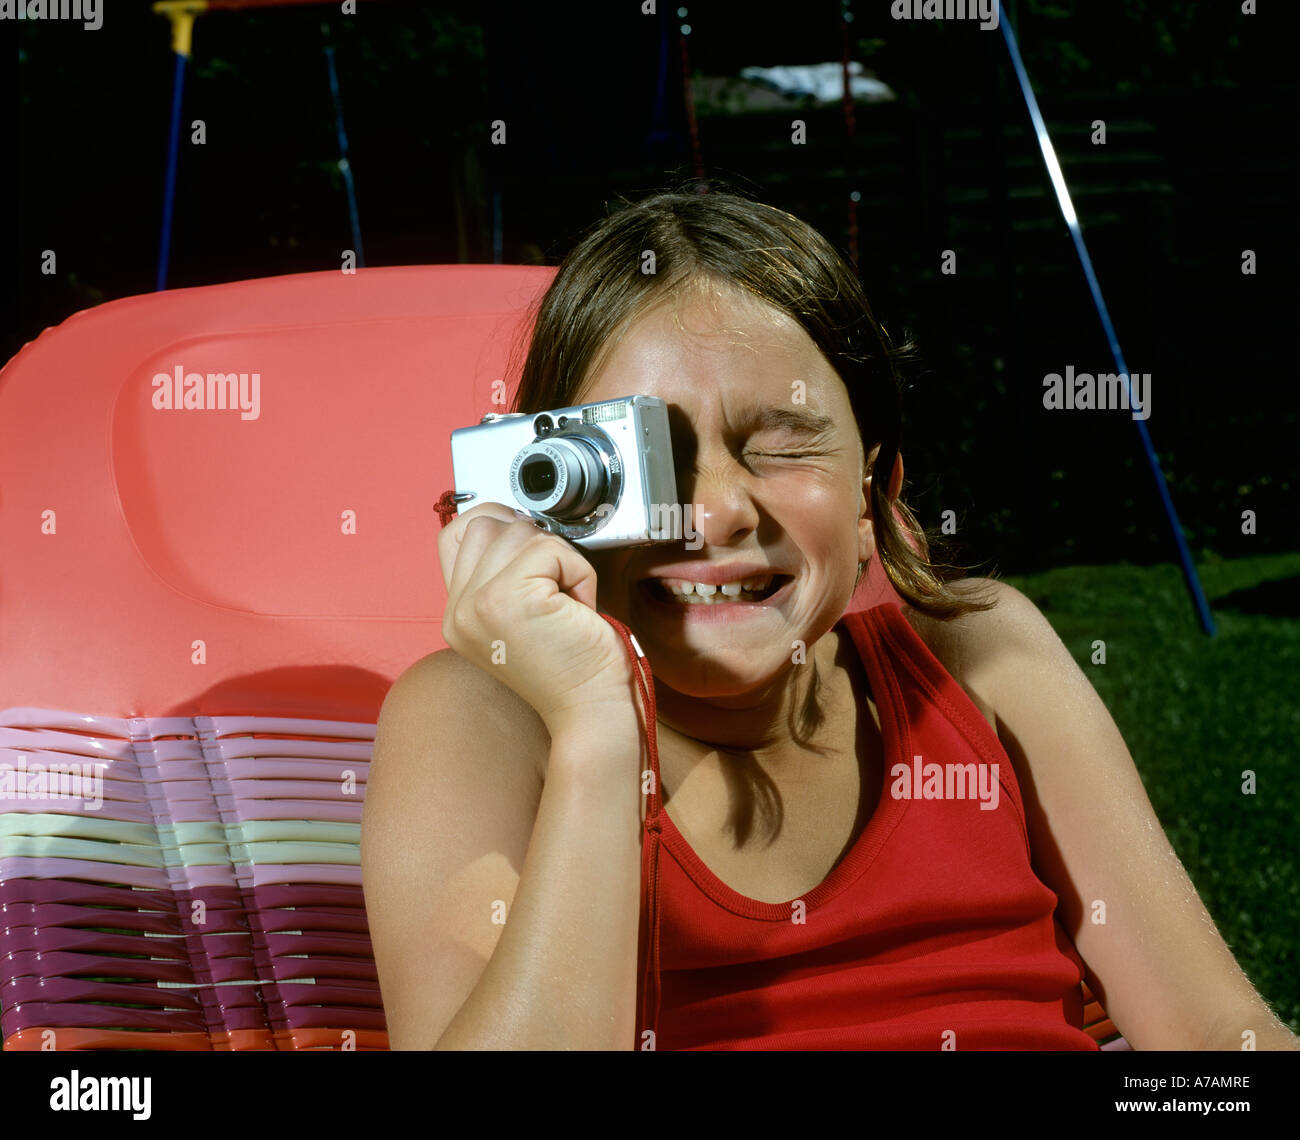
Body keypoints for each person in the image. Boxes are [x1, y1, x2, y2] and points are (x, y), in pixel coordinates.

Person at [360, 186, 1298, 1051]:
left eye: (780, 445)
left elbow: (1217, 1040)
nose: (717, 510)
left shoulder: (978, 657)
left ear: (870, 494)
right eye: (645, 460)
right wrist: (597, 733)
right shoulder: (479, 722)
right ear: (544, 493)